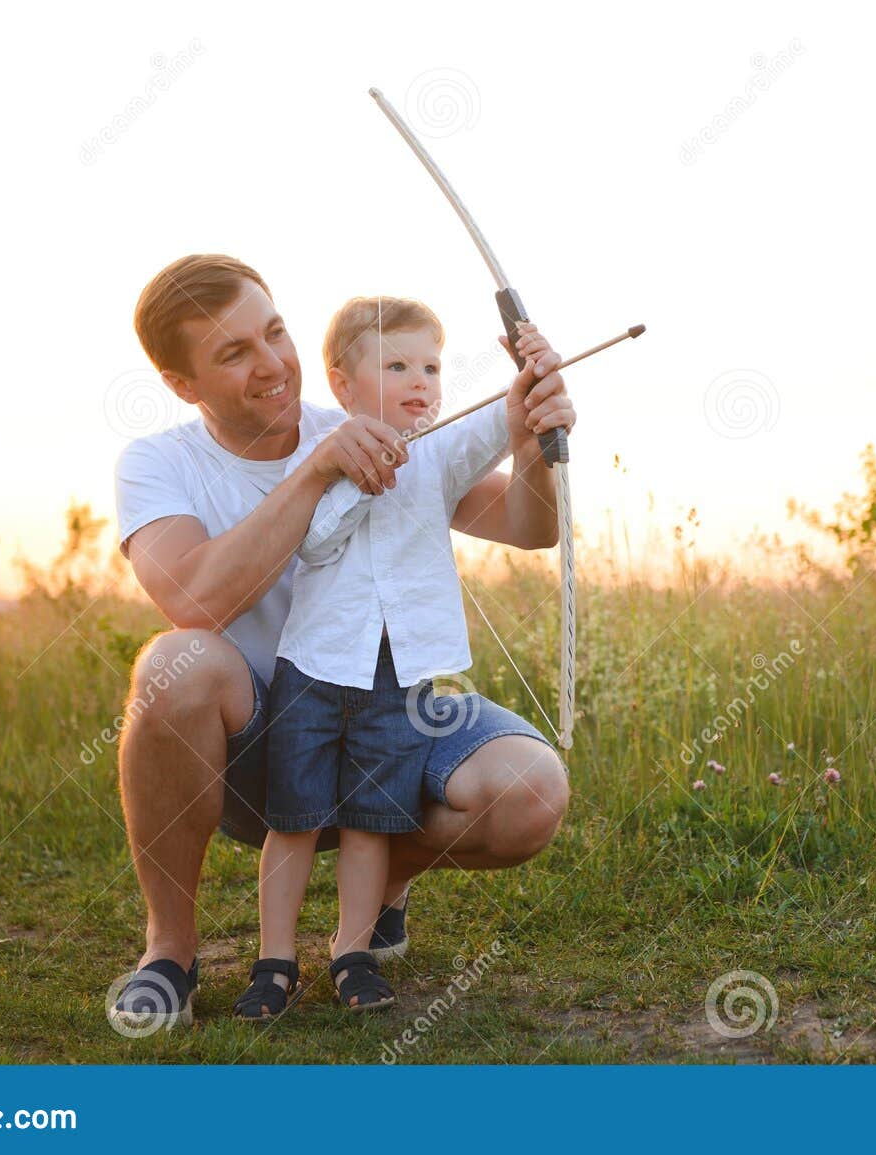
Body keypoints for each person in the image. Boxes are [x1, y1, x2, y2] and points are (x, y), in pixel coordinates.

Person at [109, 255, 572, 1030]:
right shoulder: (159, 462)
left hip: (389, 709)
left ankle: (379, 899)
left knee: (531, 792)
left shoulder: (378, 425)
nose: (272, 365)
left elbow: (530, 528)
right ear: (183, 385)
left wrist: (528, 440)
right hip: (258, 740)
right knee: (172, 666)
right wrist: (317, 471)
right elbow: (195, 596)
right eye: (233, 352)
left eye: (275, 332)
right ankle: (171, 952)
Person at [232, 296, 558, 1016]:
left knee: (371, 819)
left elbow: (498, 429)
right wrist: (356, 482)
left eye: (433, 366)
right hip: (315, 670)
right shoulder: (322, 457)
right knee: (294, 819)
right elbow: (312, 543)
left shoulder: (438, 451)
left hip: (399, 677)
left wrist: (529, 386)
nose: (422, 380)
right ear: (344, 385)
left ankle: (352, 950)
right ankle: (274, 959)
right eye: (398, 364)